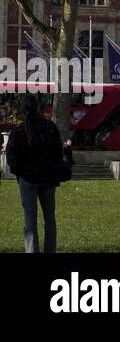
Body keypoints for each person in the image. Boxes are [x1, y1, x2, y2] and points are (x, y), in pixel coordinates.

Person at [5, 96, 67, 253]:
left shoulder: (19, 131)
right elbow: (58, 153)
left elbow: (11, 157)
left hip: (28, 179)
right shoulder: (50, 127)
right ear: (38, 108)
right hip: (47, 179)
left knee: (30, 222)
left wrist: (19, 174)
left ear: (23, 110)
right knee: (50, 220)